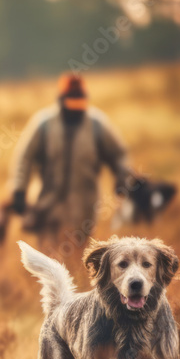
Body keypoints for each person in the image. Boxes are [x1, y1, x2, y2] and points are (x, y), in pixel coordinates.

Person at [9, 74, 134, 255]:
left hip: (84, 208)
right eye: (71, 104)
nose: (76, 110)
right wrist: (18, 190)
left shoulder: (98, 125)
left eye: (80, 104)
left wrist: (123, 178)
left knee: (78, 255)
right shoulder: (43, 125)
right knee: (48, 258)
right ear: (61, 100)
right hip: (47, 206)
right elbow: (24, 158)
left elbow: (119, 155)